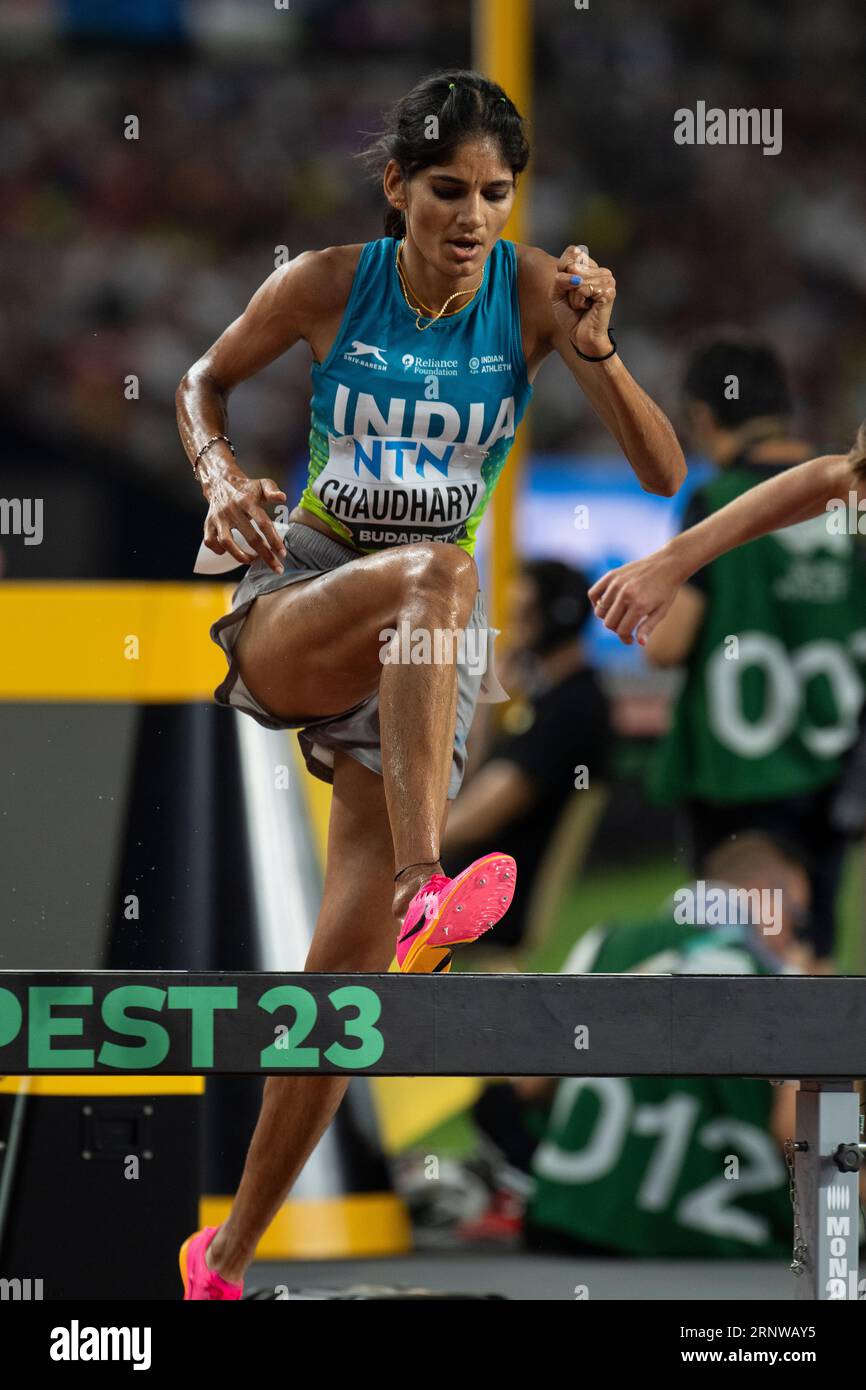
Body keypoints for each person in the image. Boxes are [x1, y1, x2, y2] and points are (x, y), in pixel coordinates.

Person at [174, 68, 685, 1299]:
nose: (471, 217)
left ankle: (221, 1255)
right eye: (446, 190)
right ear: (396, 185)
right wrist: (219, 477)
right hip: (305, 596)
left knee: (337, 993)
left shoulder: (532, 295)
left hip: (420, 666)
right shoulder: (323, 284)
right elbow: (201, 382)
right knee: (441, 576)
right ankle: (424, 885)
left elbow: (662, 468)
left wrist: (597, 349)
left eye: (495, 194)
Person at [598, 343, 866, 965]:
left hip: (738, 765)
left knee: (738, 948)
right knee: (815, 946)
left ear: (703, 419)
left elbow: (665, 648)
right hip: (836, 755)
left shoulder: (715, 497)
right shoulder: (840, 499)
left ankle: (744, 1064)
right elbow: (834, 478)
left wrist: (671, 564)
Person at [465, 833, 820, 1258]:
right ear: (765, 901)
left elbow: (530, 1083)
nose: (797, 940)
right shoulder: (785, 982)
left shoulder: (607, 940)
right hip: (716, 1246)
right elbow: (798, 1130)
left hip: (571, 1223)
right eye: (796, 920)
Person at [440, 558, 611, 955]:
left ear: (553, 618)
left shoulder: (571, 709)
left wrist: (403, 848)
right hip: (483, 903)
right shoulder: (551, 697)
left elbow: (477, 818)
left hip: (491, 918)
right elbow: (472, 775)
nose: (515, 631)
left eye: (524, 616)